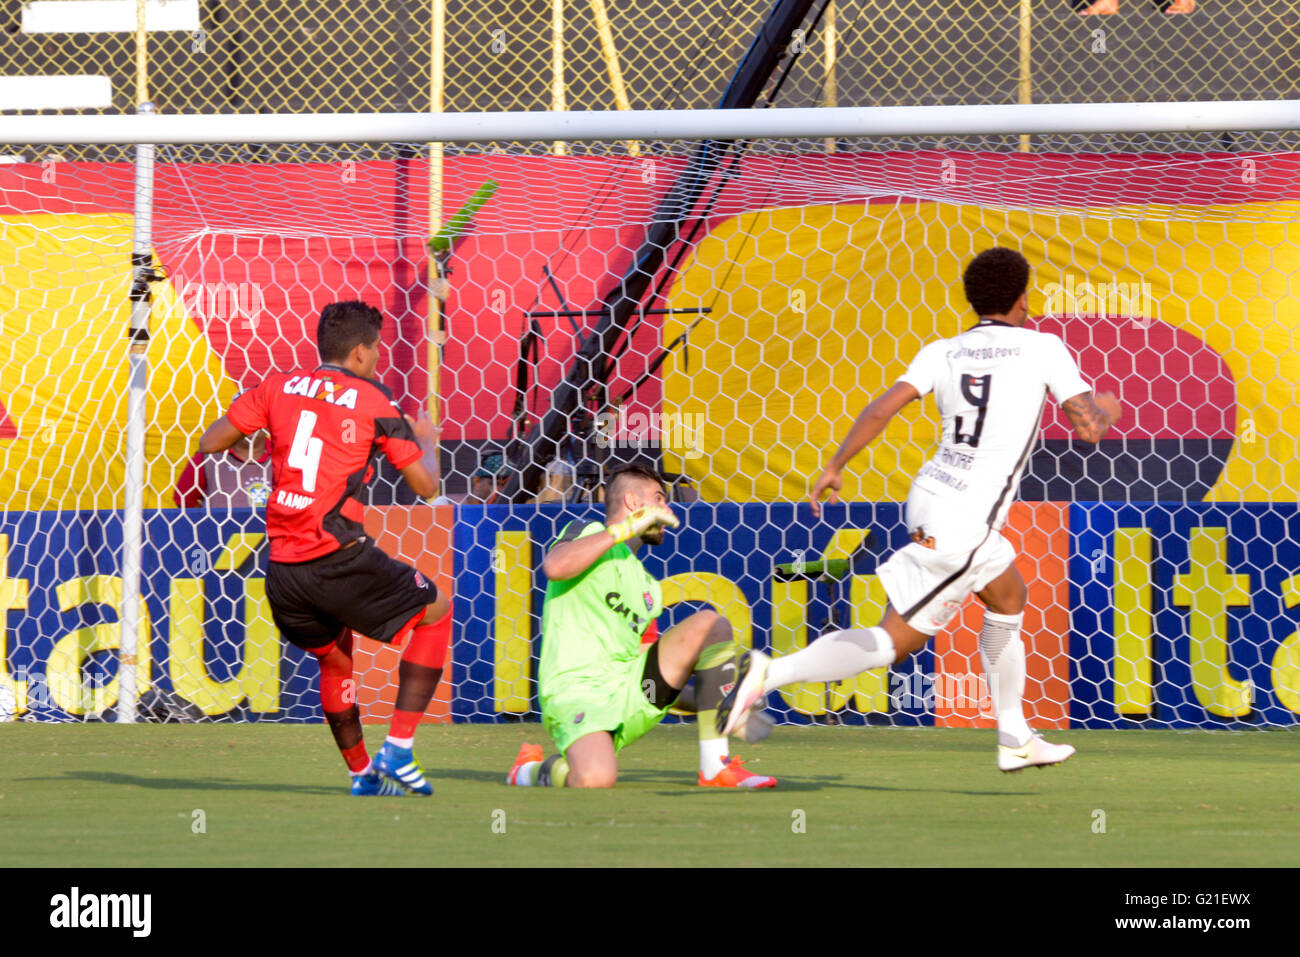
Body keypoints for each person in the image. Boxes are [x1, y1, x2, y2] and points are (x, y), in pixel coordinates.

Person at [717, 247, 1123, 772]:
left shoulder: (945, 350)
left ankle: (1016, 735)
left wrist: (836, 464)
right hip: (962, 520)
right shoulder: (1043, 347)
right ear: (1024, 297)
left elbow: (881, 407)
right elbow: (1090, 428)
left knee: (1008, 595)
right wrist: (1109, 406)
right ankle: (767, 674)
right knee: (893, 642)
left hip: (932, 494)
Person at [197, 300, 452, 796]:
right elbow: (425, 487)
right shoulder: (376, 401)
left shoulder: (275, 386)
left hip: (284, 572)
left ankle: (361, 777)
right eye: (376, 349)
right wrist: (426, 439)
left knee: (335, 662)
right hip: (338, 558)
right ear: (359, 352)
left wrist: (265, 431)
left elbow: (211, 442)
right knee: (436, 612)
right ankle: (398, 750)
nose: (378, 358)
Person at [507, 463, 777, 788]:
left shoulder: (649, 587)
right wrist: (624, 530)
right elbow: (555, 566)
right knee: (595, 779)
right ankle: (530, 770)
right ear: (634, 503)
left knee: (710, 624)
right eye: (660, 499)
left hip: (629, 695)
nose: (668, 509)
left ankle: (715, 766)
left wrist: (724, 707)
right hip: (577, 693)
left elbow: (655, 680)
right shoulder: (586, 531)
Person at [173, 429, 272, 508]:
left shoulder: (283, 456)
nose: (251, 424)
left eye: (256, 417)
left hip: (273, 532)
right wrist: (207, 522)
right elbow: (184, 499)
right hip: (221, 531)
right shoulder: (209, 457)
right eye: (245, 417)